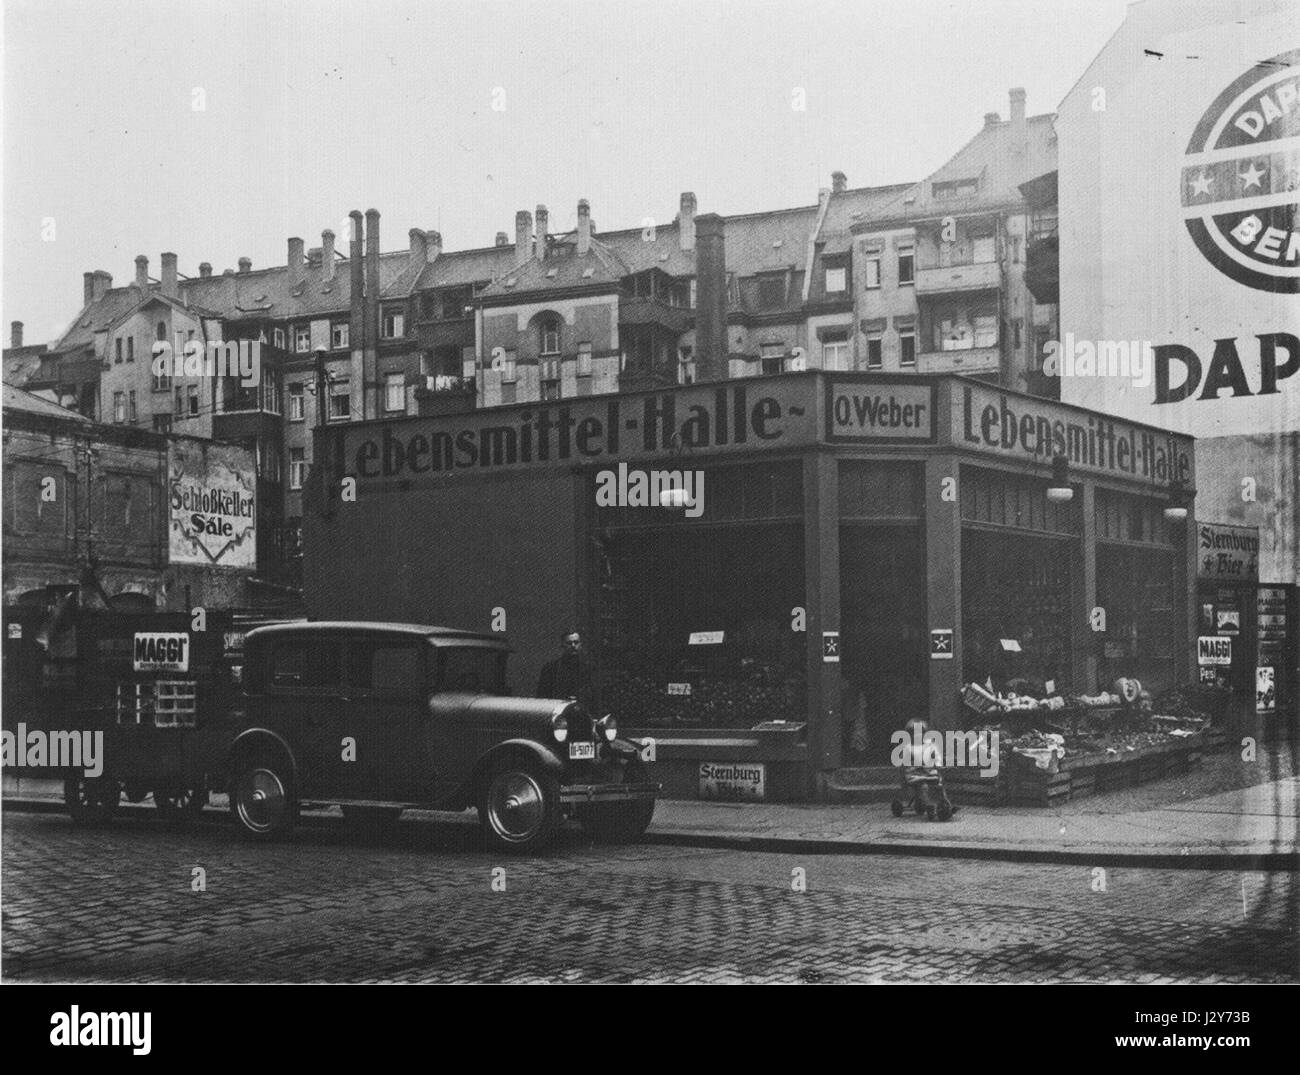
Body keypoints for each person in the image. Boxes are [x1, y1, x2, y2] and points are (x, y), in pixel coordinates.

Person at [536, 628, 597, 707]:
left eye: (576, 642)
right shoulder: (550, 668)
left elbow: (594, 697)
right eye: (569, 643)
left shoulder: (589, 669)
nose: (573, 646)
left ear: (580, 645)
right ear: (562, 645)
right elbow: (542, 697)